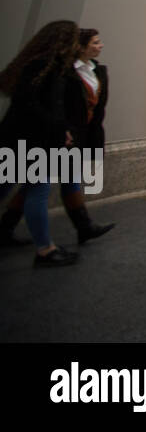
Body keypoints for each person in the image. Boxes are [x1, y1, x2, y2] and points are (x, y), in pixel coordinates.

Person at [0, 21, 83, 265]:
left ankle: (43, 246)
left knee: (9, 187)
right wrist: (59, 129)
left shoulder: (41, 65)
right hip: (31, 140)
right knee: (37, 191)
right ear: (64, 42)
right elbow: (32, 105)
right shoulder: (44, 66)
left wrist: (62, 130)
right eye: (75, 40)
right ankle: (45, 249)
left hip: (22, 138)